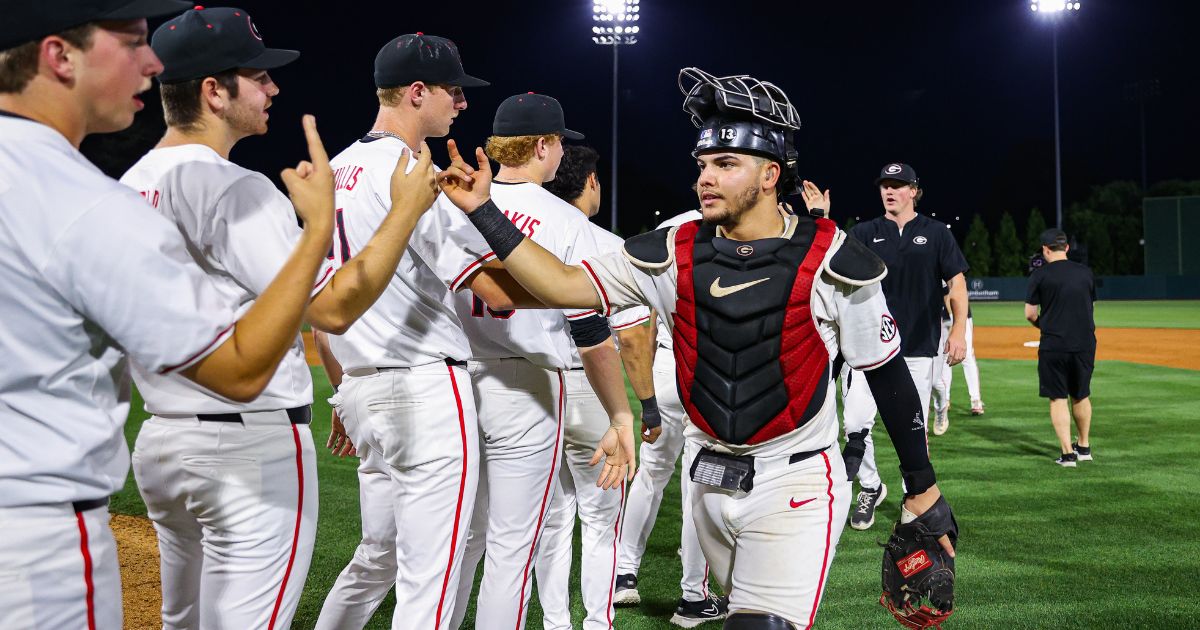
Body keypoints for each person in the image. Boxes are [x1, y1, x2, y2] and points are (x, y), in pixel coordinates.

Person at [435, 67, 955, 629]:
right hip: (708, 479)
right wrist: (484, 211)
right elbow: (561, 286)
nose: (706, 178)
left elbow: (886, 371)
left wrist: (921, 485)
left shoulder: (832, 257)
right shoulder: (671, 249)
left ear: (769, 175)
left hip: (796, 477)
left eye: (726, 165)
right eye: (703, 165)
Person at [0, 2, 335, 627]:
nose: (153, 64)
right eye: (130, 41)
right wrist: (319, 228)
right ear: (57, 56)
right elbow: (241, 369)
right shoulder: (78, 198)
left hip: (155, 440)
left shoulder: (112, 184)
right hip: (37, 533)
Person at [118, 8, 439, 628]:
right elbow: (333, 308)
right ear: (213, 91)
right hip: (245, 445)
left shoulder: (131, 183)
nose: (273, 88)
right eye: (257, 76)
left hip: (160, 438)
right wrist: (404, 210)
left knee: (182, 620)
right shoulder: (234, 187)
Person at [310, 32, 511, 630]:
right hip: (425, 389)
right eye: (453, 90)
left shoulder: (333, 169)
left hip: (361, 387)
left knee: (377, 556)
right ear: (417, 92)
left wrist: (342, 393)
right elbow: (496, 292)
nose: (462, 103)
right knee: (433, 579)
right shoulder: (415, 173)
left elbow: (323, 303)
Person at [448, 94, 636, 630]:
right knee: (512, 549)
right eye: (559, 143)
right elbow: (591, 330)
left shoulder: (451, 200)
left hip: (458, 380)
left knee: (464, 540)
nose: (561, 155)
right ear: (542, 145)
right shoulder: (562, 217)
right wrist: (621, 413)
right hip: (528, 384)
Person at [532, 144, 656, 630]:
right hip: (588, 388)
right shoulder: (603, 241)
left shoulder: (518, 228)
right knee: (601, 525)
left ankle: (555, 624)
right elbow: (629, 336)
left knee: (552, 523)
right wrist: (644, 406)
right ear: (590, 183)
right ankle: (597, 624)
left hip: (530, 389)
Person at [607, 207, 732, 628]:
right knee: (700, 486)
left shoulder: (669, 231)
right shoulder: (737, 229)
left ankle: (623, 573)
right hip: (708, 374)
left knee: (651, 474)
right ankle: (693, 597)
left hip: (665, 366)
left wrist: (647, 399)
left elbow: (644, 320)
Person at [838, 162, 969, 530]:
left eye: (898, 185)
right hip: (868, 350)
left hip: (917, 348)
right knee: (854, 425)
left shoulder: (936, 233)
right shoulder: (864, 232)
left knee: (912, 431)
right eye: (884, 185)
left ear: (914, 191)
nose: (889, 191)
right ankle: (871, 486)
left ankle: (915, 500)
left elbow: (956, 285)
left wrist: (958, 330)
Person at [1025, 228, 1095, 467]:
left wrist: (1046, 325)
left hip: (1054, 343)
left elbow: (1030, 313)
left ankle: (1067, 455)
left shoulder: (1039, 275)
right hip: (1084, 343)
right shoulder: (1086, 273)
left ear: (1045, 249)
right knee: (1081, 394)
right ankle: (1084, 447)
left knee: (1057, 398)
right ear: (1066, 248)